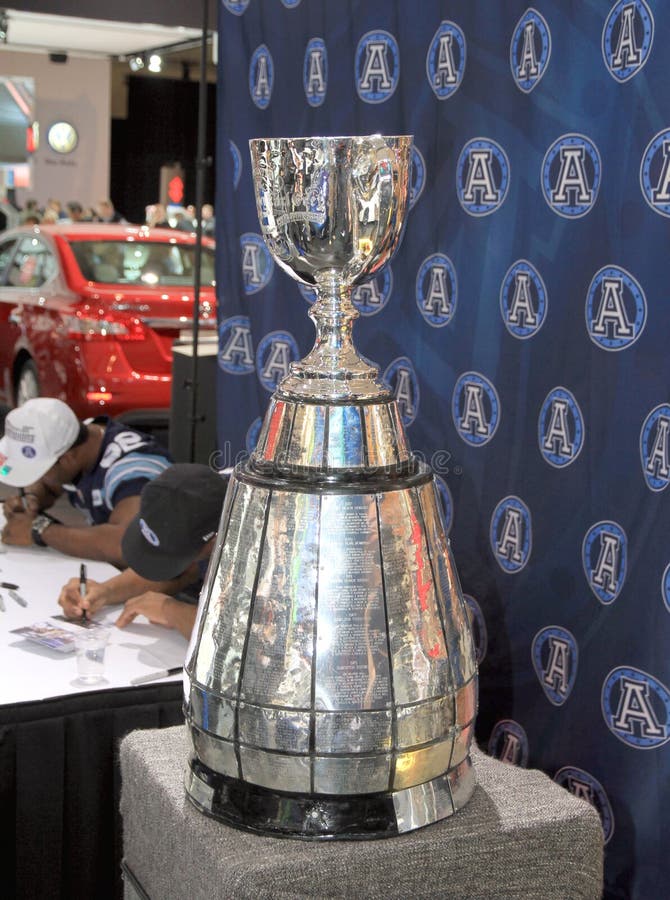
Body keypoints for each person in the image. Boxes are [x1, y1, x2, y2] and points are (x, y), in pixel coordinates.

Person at [57, 464, 230, 638]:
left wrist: (172, 611)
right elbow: (182, 572)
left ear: (215, 540)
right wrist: (106, 591)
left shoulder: (251, 538)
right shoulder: (200, 497)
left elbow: (240, 639)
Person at [0, 398, 172, 567]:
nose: (40, 479)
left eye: (41, 472)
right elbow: (50, 484)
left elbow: (128, 545)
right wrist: (32, 497)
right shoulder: (80, 439)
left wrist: (40, 529)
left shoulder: (133, 472)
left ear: (68, 458)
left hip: (174, 581)